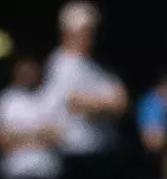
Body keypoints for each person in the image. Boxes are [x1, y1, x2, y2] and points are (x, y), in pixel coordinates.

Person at [42, 2, 127, 157]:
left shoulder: (99, 66)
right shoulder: (60, 63)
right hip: (74, 151)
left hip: (105, 149)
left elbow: (122, 103)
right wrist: (105, 104)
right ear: (68, 31)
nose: (91, 35)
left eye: (93, 29)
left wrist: (96, 104)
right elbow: (74, 102)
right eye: (85, 29)